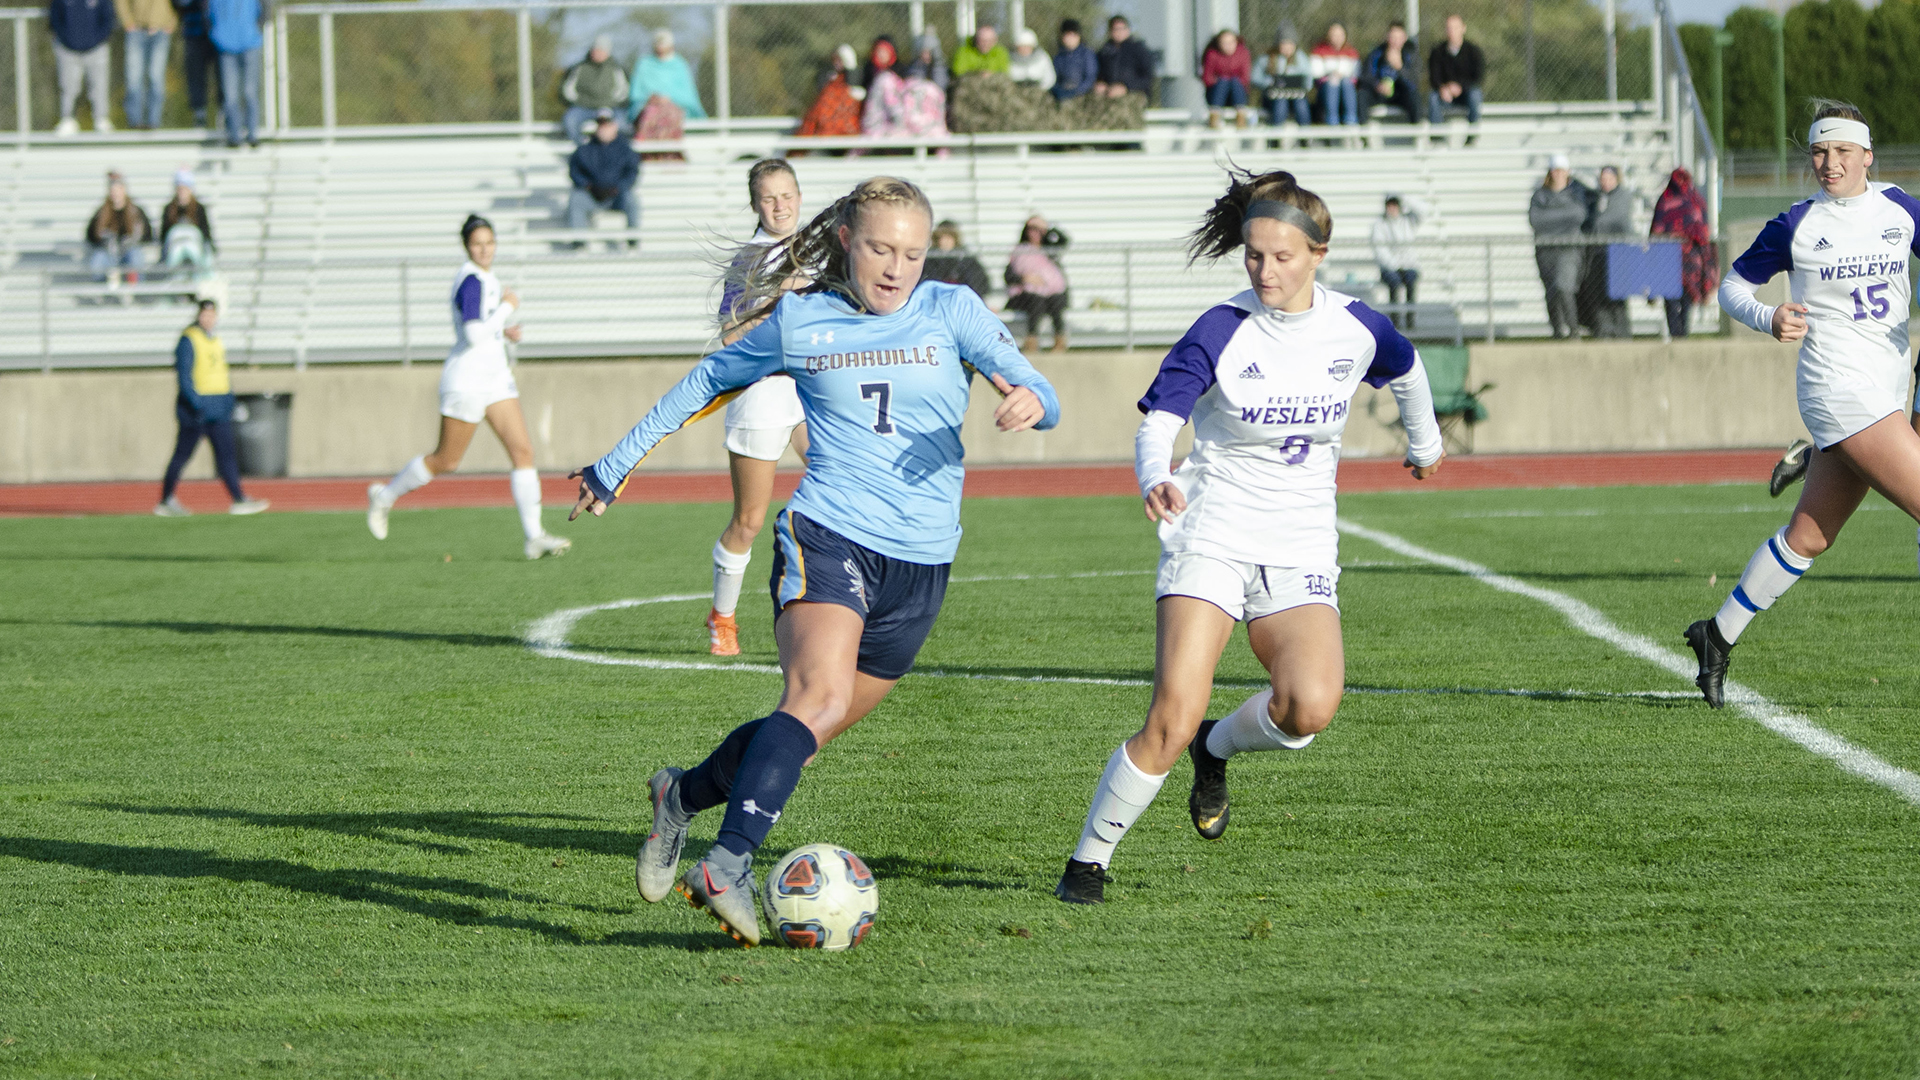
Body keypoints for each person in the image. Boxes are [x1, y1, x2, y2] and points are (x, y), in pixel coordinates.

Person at [570, 177, 1061, 946]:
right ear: (845, 241)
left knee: (805, 726)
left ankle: (679, 796)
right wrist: (614, 464)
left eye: (912, 253)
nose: (896, 268)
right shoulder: (801, 322)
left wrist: (1031, 400)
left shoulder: (953, 309)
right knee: (818, 697)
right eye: (880, 248)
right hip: (829, 534)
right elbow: (707, 381)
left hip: (923, 565)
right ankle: (726, 865)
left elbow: (1041, 392)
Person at [1054, 169, 1443, 905]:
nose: (1265, 271)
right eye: (1254, 255)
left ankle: (1217, 745)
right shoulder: (1221, 328)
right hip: (1212, 531)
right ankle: (1087, 864)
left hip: (1300, 543)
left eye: (1282, 257)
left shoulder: (1357, 326)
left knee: (1308, 709)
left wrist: (1425, 445)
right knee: (1169, 717)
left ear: (1318, 254)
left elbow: (1408, 367)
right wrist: (1154, 476)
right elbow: (1160, 421)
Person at [1686, 104, 1920, 708]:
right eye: (1819, 151)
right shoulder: (1797, 222)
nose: (1829, 163)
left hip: (1886, 390)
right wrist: (1768, 316)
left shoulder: (1900, 208)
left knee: (1808, 539)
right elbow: (1731, 287)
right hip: (1837, 389)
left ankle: (1716, 635)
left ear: (1868, 155)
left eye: (1842, 151)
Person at [365, 215, 572, 561]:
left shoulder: (487, 278)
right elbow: (474, 334)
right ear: (467, 247)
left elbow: (481, 328)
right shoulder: (471, 280)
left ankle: (534, 536)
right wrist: (507, 308)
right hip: (467, 380)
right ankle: (384, 496)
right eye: (478, 244)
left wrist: (503, 331)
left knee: (523, 451)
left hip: (495, 379)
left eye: (490, 242)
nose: (485, 249)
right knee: (446, 460)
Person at [706, 159, 810, 657]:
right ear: (755, 205)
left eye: (787, 195)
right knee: (748, 519)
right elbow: (730, 335)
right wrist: (776, 311)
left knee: (847, 480)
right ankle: (722, 616)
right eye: (769, 198)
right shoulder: (750, 260)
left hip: (810, 391)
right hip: (762, 394)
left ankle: (839, 594)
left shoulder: (816, 251)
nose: (780, 206)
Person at [155, 301, 270, 517]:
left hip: (219, 410)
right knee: (182, 455)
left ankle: (238, 498)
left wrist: (229, 402)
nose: (208, 319)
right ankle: (166, 499)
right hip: (197, 413)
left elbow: (221, 374)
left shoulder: (215, 340)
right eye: (205, 314)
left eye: (212, 315)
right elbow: (184, 376)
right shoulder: (189, 339)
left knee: (227, 456)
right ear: (199, 315)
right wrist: (196, 404)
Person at [1650, 167, 1718, 341]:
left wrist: (1694, 238)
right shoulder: (1665, 200)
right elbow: (1657, 230)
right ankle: (1675, 334)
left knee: (1687, 300)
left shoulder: (1696, 201)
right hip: (1668, 259)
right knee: (1670, 300)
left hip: (1691, 260)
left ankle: (1684, 335)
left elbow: (1703, 230)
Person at [1529, 153, 1587, 338]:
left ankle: (1573, 328)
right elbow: (1537, 220)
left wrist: (1552, 216)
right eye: (1555, 170)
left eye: (1562, 170)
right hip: (1546, 251)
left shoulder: (1576, 193)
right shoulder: (1540, 195)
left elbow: (1578, 215)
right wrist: (1564, 217)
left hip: (1568, 249)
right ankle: (1557, 330)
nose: (1558, 174)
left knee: (1564, 287)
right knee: (1552, 291)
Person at [565, 109, 640, 249]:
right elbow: (574, 171)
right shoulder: (585, 149)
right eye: (600, 124)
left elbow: (632, 173)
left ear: (615, 126)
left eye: (607, 124)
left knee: (631, 200)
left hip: (616, 196)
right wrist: (588, 186)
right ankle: (579, 243)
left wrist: (618, 188)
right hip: (593, 195)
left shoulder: (625, 149)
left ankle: (633, 241)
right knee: (576, 199)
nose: (603, 128)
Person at [1582, 165, 1635, 339]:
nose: (1605, 182)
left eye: (1609, 178)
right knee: (1597, 295)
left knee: (1617, 296)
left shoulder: (1623, 197)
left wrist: (1596, 222)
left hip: (1617, 254)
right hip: (1597, 253)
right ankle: (1602, 331)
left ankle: (1622, 333)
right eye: (1602, 178)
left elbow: (1614, 219)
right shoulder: (1597, 198)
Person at [49, 0, 115, 136]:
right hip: (68, 49)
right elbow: (55, 17)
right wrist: (66, 39)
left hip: (96, 49)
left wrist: (97, 39)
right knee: (68, 86)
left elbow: (108, 18)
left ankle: (101, 119)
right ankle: (68, 118)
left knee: (99, 85)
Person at [1005, 214, 1068, 352]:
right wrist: (1024, 279)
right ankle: (1031, 341)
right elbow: (1008, 276)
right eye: (1032, 229)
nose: (1036, 233)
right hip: (1024, 295)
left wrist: (1049, 229)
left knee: (1056, 301)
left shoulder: (1050, 251)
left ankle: (1060, 341)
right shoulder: (1020, 251)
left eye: (1040, 230)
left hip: (1048, 294)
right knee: (1035, 301)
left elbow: (1065, 240)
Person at [207, 0, 265, 147]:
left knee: (250, 92)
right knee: (230, 94)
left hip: (250, 42)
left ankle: (252, 134)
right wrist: (216, 34)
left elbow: (265, 8)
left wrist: (257, 29)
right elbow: (207, 11)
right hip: (225, 45)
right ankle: (234, 136)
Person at [560, 34, 630, 144]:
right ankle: (582, 148)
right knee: (570, 120)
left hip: (611, 108)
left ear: (608, 51)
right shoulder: (578, 68)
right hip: (583, 108)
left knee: (622, 124)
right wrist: (582, 102)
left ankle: (615, 151)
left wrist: (607, 105)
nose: (598, 52)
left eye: (602, 49)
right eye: (596, 49)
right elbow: (567, 92)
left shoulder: (617, 69)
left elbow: (624, 93)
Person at [117, 0, 175, 130]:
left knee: (156, 78)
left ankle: (154, 122)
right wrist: (127, 21)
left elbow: (180, 3)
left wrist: (172, 21)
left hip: (161, 30)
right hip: (136, 30)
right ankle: (134, 122)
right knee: (133, 79)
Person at [86, 171, 152, 282]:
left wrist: (131, 241)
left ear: (124, 190)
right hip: (109, 254)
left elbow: (148, 235)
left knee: (135, 256)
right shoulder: (101, 213)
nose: (115, 193)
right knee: (98, 259)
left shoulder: (136, 212)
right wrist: (105, 240)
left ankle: (134, 287)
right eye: (113, 190)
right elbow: (91, 236)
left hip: (128, 253)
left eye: (118, 189)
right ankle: (101, 288)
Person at [629, 28, 706, 121]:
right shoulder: (644, 64)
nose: (660, 47)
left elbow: (688, 96)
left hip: (676, 109)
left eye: (663, 43)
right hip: (648, 109)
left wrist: (668, 99)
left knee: (670, 115)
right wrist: (652, 99)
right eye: (658, 43)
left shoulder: (679, 65)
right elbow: (637, 93)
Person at [796, 44, 864, 141]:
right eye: (835, 60)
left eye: (839, 60)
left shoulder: (854, 83)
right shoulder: (828, 80)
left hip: (843, 129)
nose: (837, 63)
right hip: (826, 129)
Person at [1371, 195, 1419, 329]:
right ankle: (1395, 322)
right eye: (1389, 205)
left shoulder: (1407, 221)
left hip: (1409, 265)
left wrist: (1406, 199)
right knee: (1394, 282)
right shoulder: (1379, 224)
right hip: (1390, 267)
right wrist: (1395, 265)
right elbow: (1380, 249)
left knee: (1411, 281)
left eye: (1395, 205)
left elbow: (1424, 211)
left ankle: (1410, 321)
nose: (1392, 209)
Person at [1427, 14, 1484, 125]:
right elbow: (1434, 76)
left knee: (1475, 95)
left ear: (1463, 28)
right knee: (1433, 97)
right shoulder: (1437, 52)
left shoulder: (1473, 51)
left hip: (1466, 93)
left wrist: (1460, 87)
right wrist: (1443, 88)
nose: (1452, 31)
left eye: (1455, 28)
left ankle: (1473, 132)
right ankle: (1437, 134)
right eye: (1449, 28)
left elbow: (1478, 77)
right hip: (1445, 95)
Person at [1359, 21, 1418, 124]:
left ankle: (1417, 128)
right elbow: (1366, 76)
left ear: (1404, 38)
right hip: (1379, 93)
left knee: (1414, 96)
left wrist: (1400, 68)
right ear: (1387, 37)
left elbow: (1414, 82)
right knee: (1362, 95)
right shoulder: (1377, 53)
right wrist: (1378, 85)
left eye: (1398, 38)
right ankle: (1363, 129)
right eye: (1393, 37)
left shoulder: (1410, 54)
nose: (1395, 41)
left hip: (1400, 94)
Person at [173, 0, 219, 130]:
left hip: (219, 31)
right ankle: (199, 116)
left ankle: (223, 116)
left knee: (222, 77)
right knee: (195, 76)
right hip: (193, 32)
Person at [161, 168, 215, 274]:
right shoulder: (169, 209)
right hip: (174, 248)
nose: (182, 192)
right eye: (180, 188)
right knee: (177, 250)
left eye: (185, 188)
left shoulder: (199, 209)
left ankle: (198, 275)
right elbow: (164, 236)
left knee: (194, 250)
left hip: (196, 247)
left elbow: (206, 233)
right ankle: (175, 276)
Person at [1253, 27, 1311, 128]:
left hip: (1296, 95)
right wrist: (1269, 82)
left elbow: (1308, 79)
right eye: (1284, 44)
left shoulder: (1301, 58)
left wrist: (1299, 84)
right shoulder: (1267, 58)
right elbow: (1255, 77)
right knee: (1281, 103)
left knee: (1301, 105)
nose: (1287, 47)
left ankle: (1305, 132)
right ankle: (1276, 133)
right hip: (1273, 96)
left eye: (1290, 44)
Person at [1094, 15, 1154, 101]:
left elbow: (1148, 78)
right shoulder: (1104, 52)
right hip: (1109, 94)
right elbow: (1098, 74)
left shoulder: (1139, 50)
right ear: (1110, 32)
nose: (1119, 32)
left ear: (1128, 30)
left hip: (1135, 94)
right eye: (1116, 29)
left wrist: (1126, 87)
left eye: (1122, 29)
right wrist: (1101, 85)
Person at [1310, 23, 1359, 126]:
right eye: (1334, 35)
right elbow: (1316, 75)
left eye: (1340, 35)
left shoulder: (1351, 52)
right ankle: (1332, 120)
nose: (1337, 38)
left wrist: (1343, 76)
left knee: (1346, 82)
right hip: (1326, 89)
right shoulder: (1319, 51)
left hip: (1346, 88)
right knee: (1333, 83)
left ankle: (1350, 119)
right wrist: (1331, 76)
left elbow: (1356, 75)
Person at [1200, 29, 1251, 130]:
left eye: (1231, 42)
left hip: (1237, 93)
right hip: (1216, 94)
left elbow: (1245, 78)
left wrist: (1230, 81)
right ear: (1219, 43)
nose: (1228, 46)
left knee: (1234, 81)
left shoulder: (1243, 53)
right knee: (1223, 81)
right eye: (1225, 43)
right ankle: (1214, 116)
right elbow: (1207, 78)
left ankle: (1241, 115)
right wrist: (1222, 80)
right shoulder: (1212, 54)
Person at [925, 219, 989, 296]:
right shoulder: (929, 260)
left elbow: (980, 284)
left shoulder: (967, 260)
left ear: (955, 239)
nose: (946, 241)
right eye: (942, 237)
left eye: (949, 237)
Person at [1052, 19, 1096, 101]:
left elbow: (1090, 77)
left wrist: (1076, 92)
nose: (1070, 39)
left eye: (1073, 35)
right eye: (1067, 35)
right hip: (1062, 95)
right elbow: (1054, 79)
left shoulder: (1086, 54)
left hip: (1082, 96)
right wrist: (1060, 92)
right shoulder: (1058, 57)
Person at [1006, 28, 1054, 92]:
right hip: (1016, 92)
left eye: (1027, 46)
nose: (1024, 49)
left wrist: (1041, 89)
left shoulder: (1042, 58)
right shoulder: (1009, 59)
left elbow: (1049, 77)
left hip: (1038, 92)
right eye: (1022, 46)